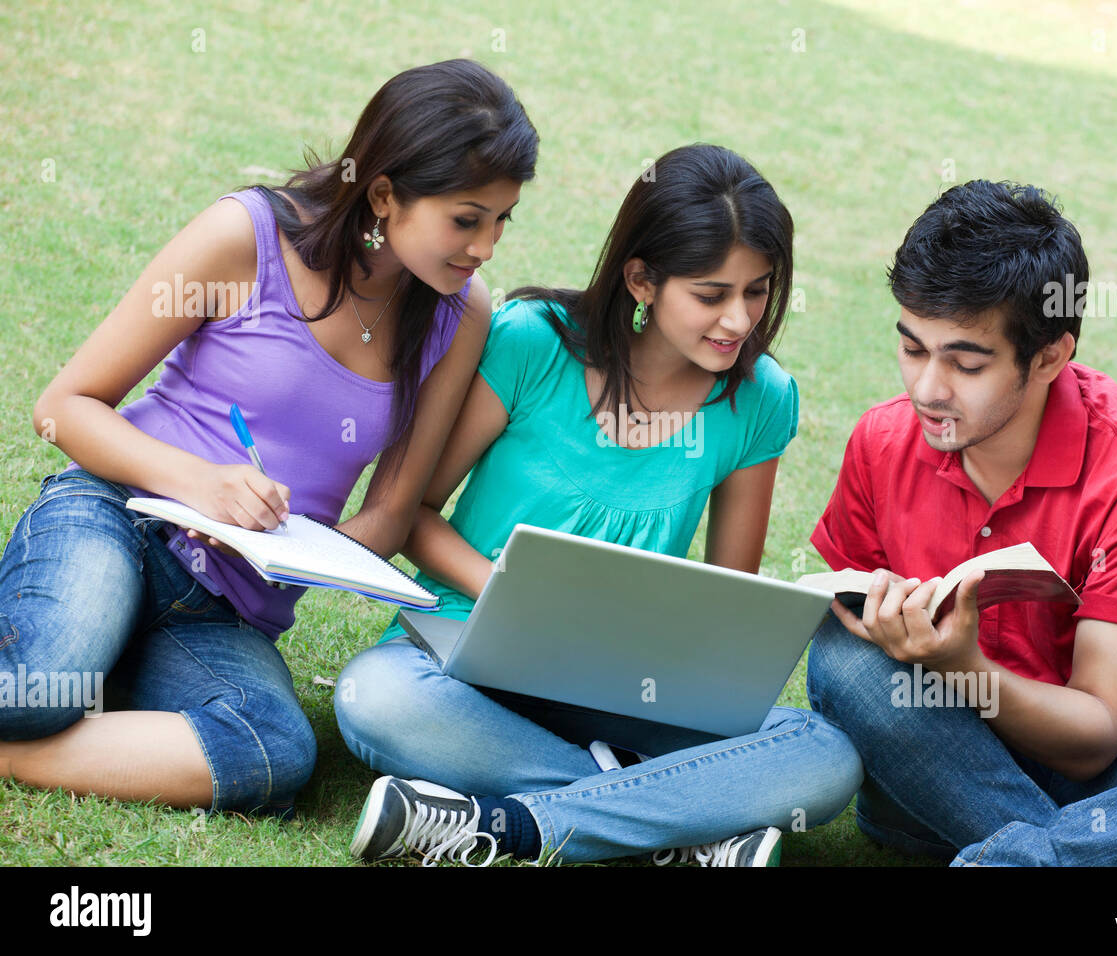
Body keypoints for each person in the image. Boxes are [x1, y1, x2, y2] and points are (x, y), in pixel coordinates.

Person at [0, 60, 539, 820]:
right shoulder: (246, 237)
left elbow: (390, 513)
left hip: (228, 606)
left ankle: (32, 745)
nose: (485, 246)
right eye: (466, 218)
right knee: (38, 683)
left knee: (273, 750)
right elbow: (66, 406)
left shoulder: (459, 313)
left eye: (502, 220)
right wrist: (200, 484)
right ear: (384, 194)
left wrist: (290, 553)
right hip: (120, 519)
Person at [334, 143, 863, 867]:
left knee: (823, 755)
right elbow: (415, 514)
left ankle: (512, 827)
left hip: (632, 689)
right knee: (376, 696)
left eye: (758, 291)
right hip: (466, 658)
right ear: (641, 279)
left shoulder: (757, 397)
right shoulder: (532, 344)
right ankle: (680, 828)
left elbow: (725, 598)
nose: (738, 321)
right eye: (711, 294)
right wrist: (511, 593)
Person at [805, 179, 1117, 866]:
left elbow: (1097, 735)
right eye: (914, 349)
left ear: (1049, 356)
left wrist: (964, 664)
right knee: (843, 657)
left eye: (964, 363)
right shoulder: (881, 441)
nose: (925, 389)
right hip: (946, 765)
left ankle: (1030, 856)